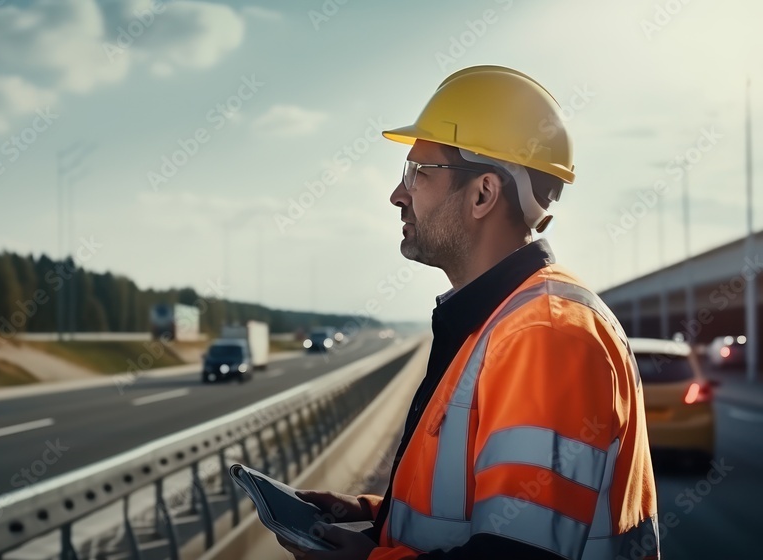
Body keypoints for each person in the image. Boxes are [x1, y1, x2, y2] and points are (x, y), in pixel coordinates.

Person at [277, 65, 659, 559]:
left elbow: (519, 554)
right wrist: (379, 516)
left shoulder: (545, 334)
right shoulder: (496, 323)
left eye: (419, 173)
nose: (398, 195)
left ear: (483, 194)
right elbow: (491, 512)